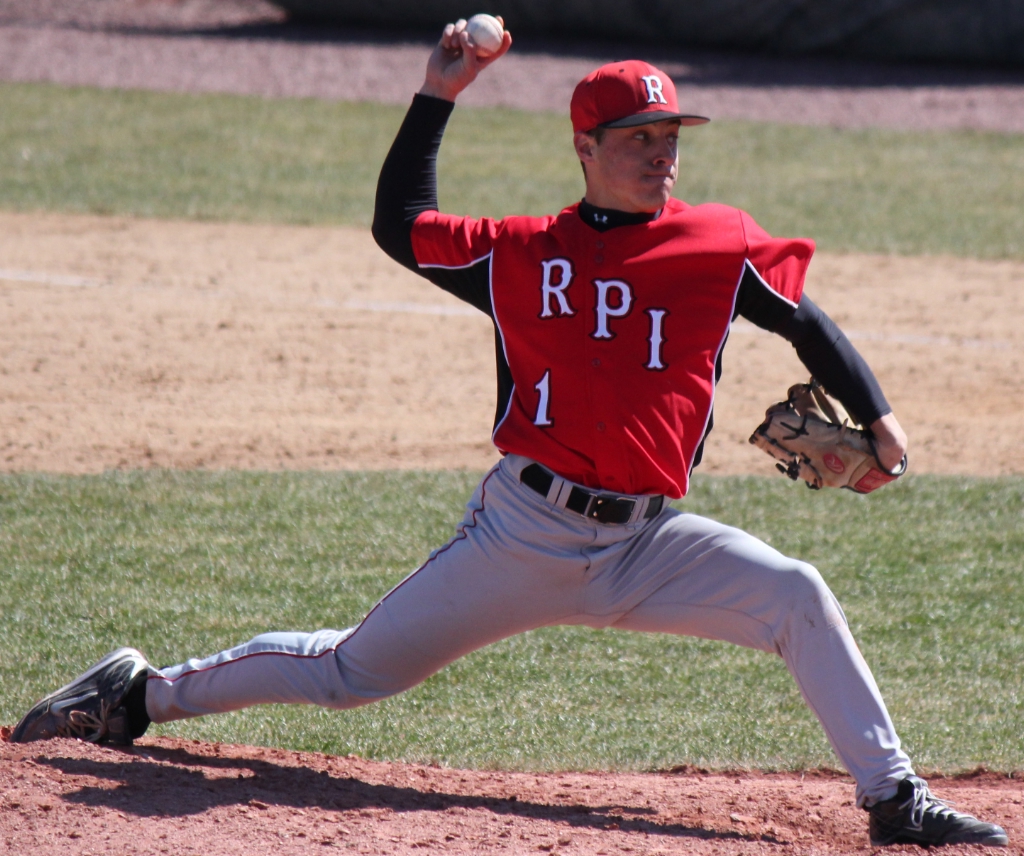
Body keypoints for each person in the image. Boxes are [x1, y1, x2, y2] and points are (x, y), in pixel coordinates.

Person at [12, 19, 1007, 849]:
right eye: (638, 138)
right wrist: (438, 93)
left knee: (796, 593)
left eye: (671, 136)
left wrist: (878, 417)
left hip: (649, 542)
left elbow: (802, 321)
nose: (662, 154)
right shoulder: (521, 253)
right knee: (353, 672)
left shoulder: (715, 241)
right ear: (585, 146)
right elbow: (401, 226)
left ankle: (893, 799)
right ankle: (138, 696)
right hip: (524, 533)